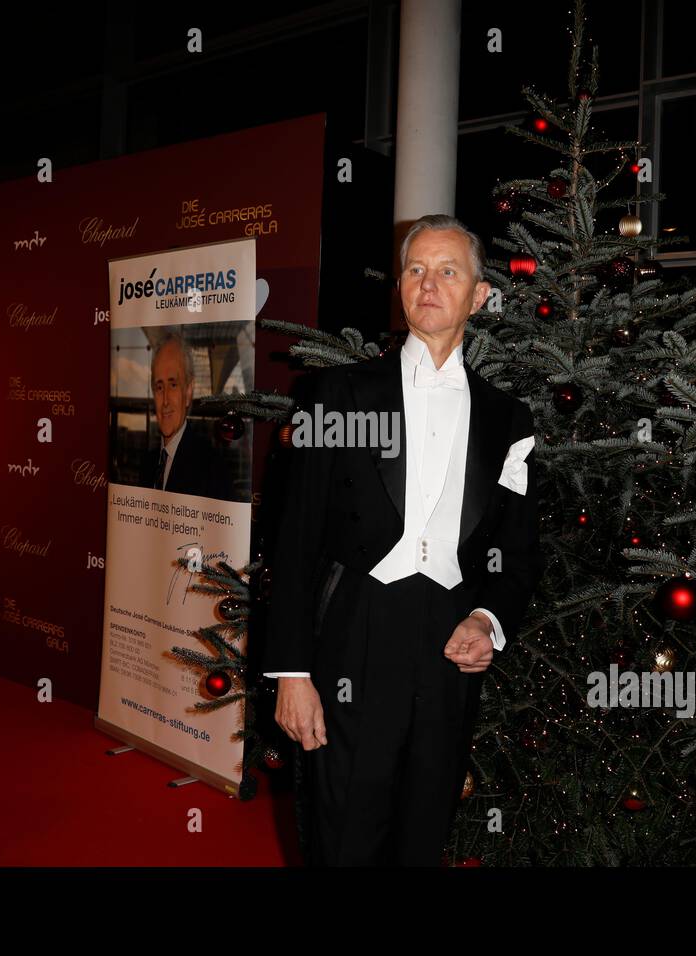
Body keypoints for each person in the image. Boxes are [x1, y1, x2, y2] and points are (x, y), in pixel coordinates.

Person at [262, 214, 543, 866]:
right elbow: (296, 537)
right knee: (343, 835)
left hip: (448, 639)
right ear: (400, 287)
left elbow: (519, 548)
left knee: (425, 827)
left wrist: (488, 616)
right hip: (354, 632)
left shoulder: (510, 418)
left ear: (478, 296)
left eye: (448, 271)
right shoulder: (339, 394)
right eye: (415, 269)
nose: (428, 283)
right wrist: (291, 672)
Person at [148, 331, 241, 502]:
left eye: (173, 384)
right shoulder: (148, 465)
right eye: (159, 387)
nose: (165, 401)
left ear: (189, 392)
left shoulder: (213, 469)